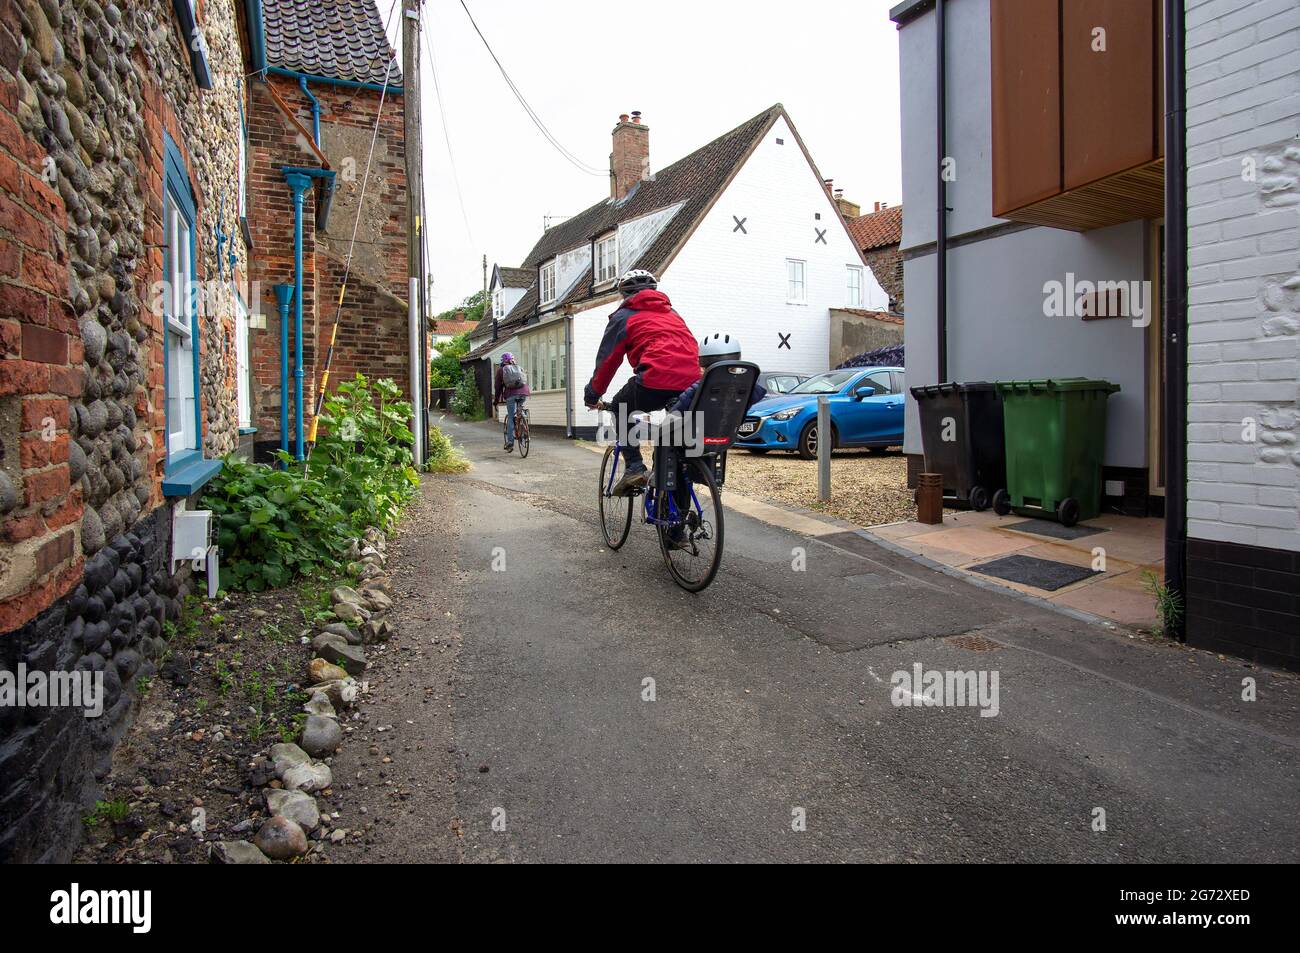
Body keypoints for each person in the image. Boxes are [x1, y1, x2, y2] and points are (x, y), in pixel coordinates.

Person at [583, 269, 700, 495]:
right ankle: (677, 522)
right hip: (691, 383)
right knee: (675, 442)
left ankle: (635, 467)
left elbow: (607, 361)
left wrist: (592, 395)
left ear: (624, 294)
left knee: (621, 406)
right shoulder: (673, 314)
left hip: (654, 379)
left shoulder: (624, 316)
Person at [494, 352, 530, 452]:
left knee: (511, 416)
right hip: (523, 392)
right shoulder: (519, 367)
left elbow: (497, 387)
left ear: (503, 361)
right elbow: (525, 381)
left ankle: (510, 443)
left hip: (510, 395)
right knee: (520, 410)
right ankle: (524, 425)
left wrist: (496, 401)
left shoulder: (501, 370)